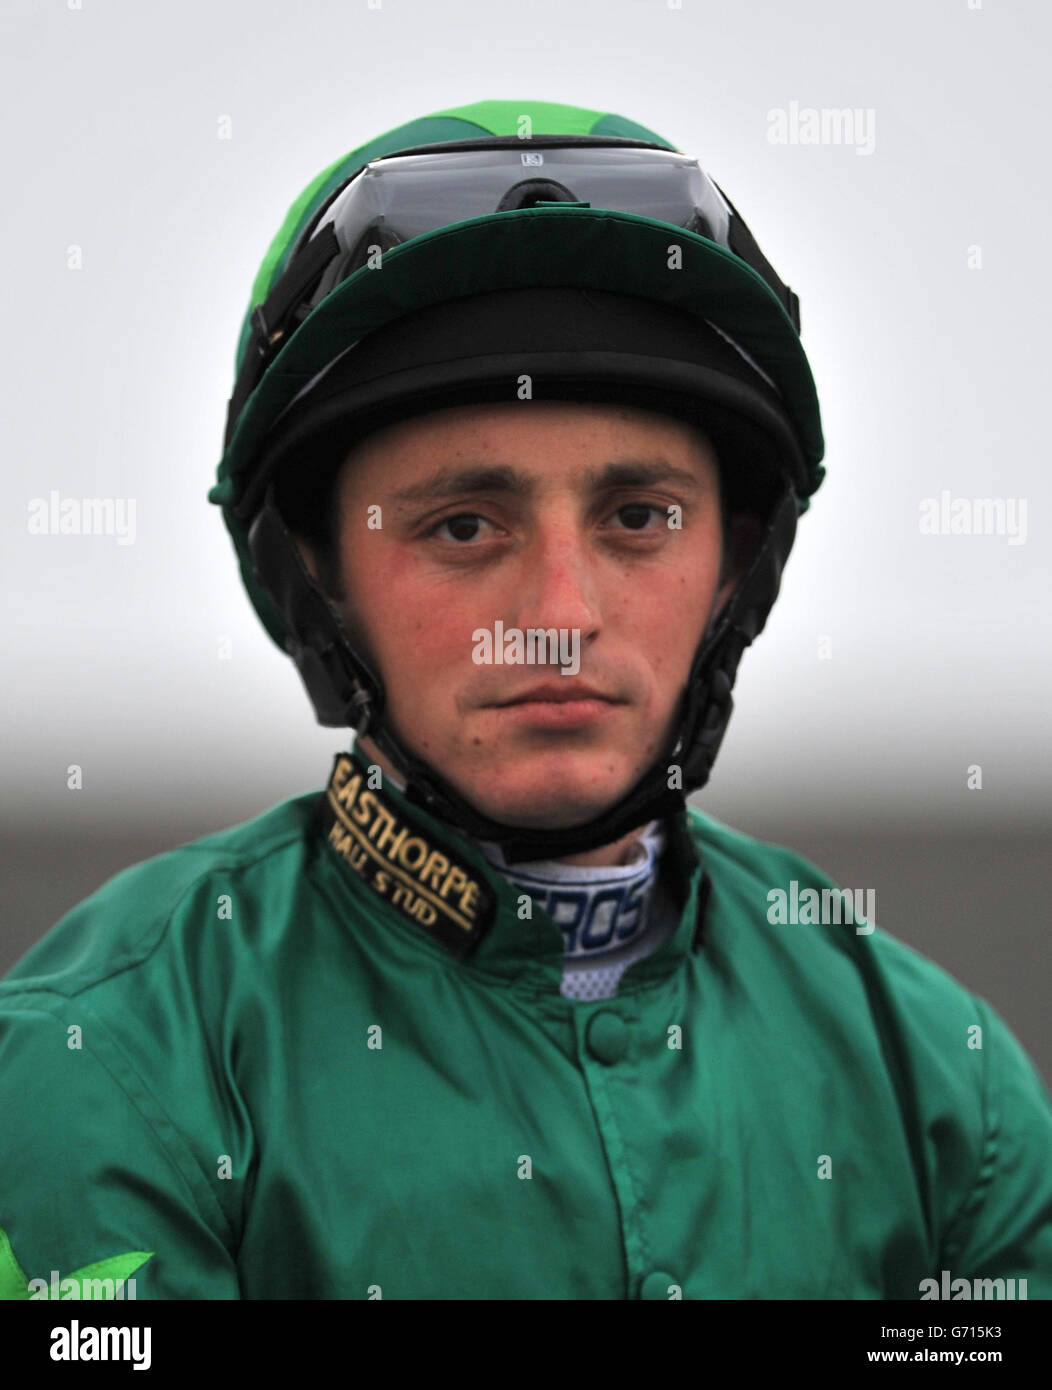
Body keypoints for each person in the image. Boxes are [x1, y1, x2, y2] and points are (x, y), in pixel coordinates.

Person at [1, 99, 1050, 1302]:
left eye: (636, 518)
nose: (558, 610)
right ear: (317, 576)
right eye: (462, 524)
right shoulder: (105, 1058)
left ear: (732, 566)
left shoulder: (941, 1083)